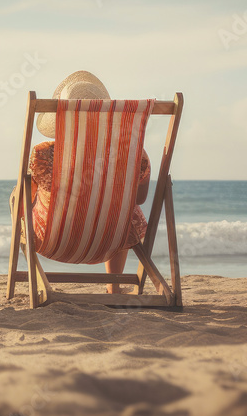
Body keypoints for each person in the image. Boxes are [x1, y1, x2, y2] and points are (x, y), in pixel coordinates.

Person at [11, 71, 151, 294]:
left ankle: (40, 283)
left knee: (16, 197)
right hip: (111, 239)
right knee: (127, 211)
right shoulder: (133, 155)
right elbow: (140, 199)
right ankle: (114, 286)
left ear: (61, 118)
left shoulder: (43, 155)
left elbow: (27, 199)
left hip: (52, 239)